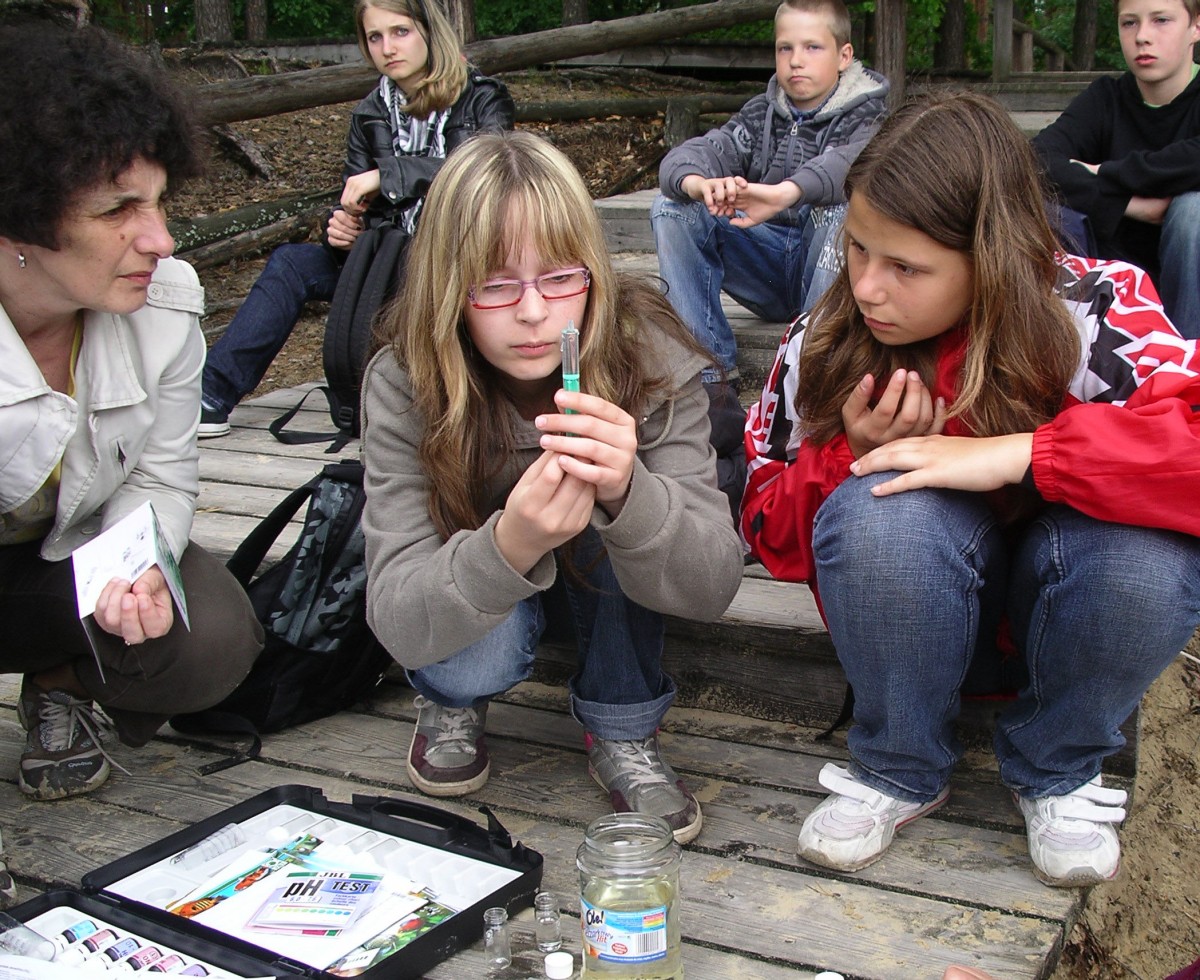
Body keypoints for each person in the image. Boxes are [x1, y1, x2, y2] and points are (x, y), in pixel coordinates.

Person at [740, 92, 1200, 886]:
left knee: (1148, 552)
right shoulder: (826, 336)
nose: (868, 289)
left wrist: (1031, 453)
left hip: (1073, 608)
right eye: (856, 250)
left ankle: (1057, 765)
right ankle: (897, 762)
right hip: (906, 621)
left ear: (992, 252)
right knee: (879, 512)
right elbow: (765, 524)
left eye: (906, 267)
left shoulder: (1097, 306)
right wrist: (845, 456)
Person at [361, 130, 744, 844]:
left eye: (561, 277)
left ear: (593, 271)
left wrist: (630, 492)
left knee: (615, 489)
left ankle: (622, 719)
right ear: (449, 286)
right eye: (496, 284)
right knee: (477, 658)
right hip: (475, 604)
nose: (535, 313)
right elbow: (398, 620)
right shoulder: (403, 381)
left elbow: (711, 586)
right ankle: (451, 697)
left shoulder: (653, 362)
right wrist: (513, 541)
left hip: (611, 592)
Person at [0, 18, 264, 801]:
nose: (161, 237)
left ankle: (60, 684)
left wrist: (140, 565)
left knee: (209, 634)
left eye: (157, 201)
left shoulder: (163, 307)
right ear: (20, 211)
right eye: (119, 209)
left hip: (51, 564)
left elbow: (162, 474)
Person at [196, 0, 514, 437]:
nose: (388, 47)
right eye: (374, 37)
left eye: (400, 32)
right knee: (292, 264)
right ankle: (209, 395)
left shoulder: (482, 97)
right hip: (384, 258)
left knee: (410, 262)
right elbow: (356, 200)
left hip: (456, 259)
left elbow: (487, 171)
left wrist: (388, 175)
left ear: (428, 32)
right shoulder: (370, 112)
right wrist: (341, 232)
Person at [650, 0, 888, 385]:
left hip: (829, 271)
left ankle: (808, 370)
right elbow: (702, 151)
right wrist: (702, 185)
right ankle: (708, 377)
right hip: (765, 265)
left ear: (844, 56)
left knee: (845, 208)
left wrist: (787, 192)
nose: (796, 60)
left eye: (812, 47)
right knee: (673, 207)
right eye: (785, 48)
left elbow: (852, 163)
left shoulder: (869, 116)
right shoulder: (760, 114)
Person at [1032, 0, 1200, 339]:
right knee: (1045, 210)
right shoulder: (1105, 99)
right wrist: (1129, 205)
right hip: (1114, 281)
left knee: (1192, 210)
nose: (1142, 37)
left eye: (1161, 20)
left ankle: (1187, 372)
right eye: (1129, 23)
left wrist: (1103, 172)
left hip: (1191, 287)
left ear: (1196, 26)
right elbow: (1035, 159)